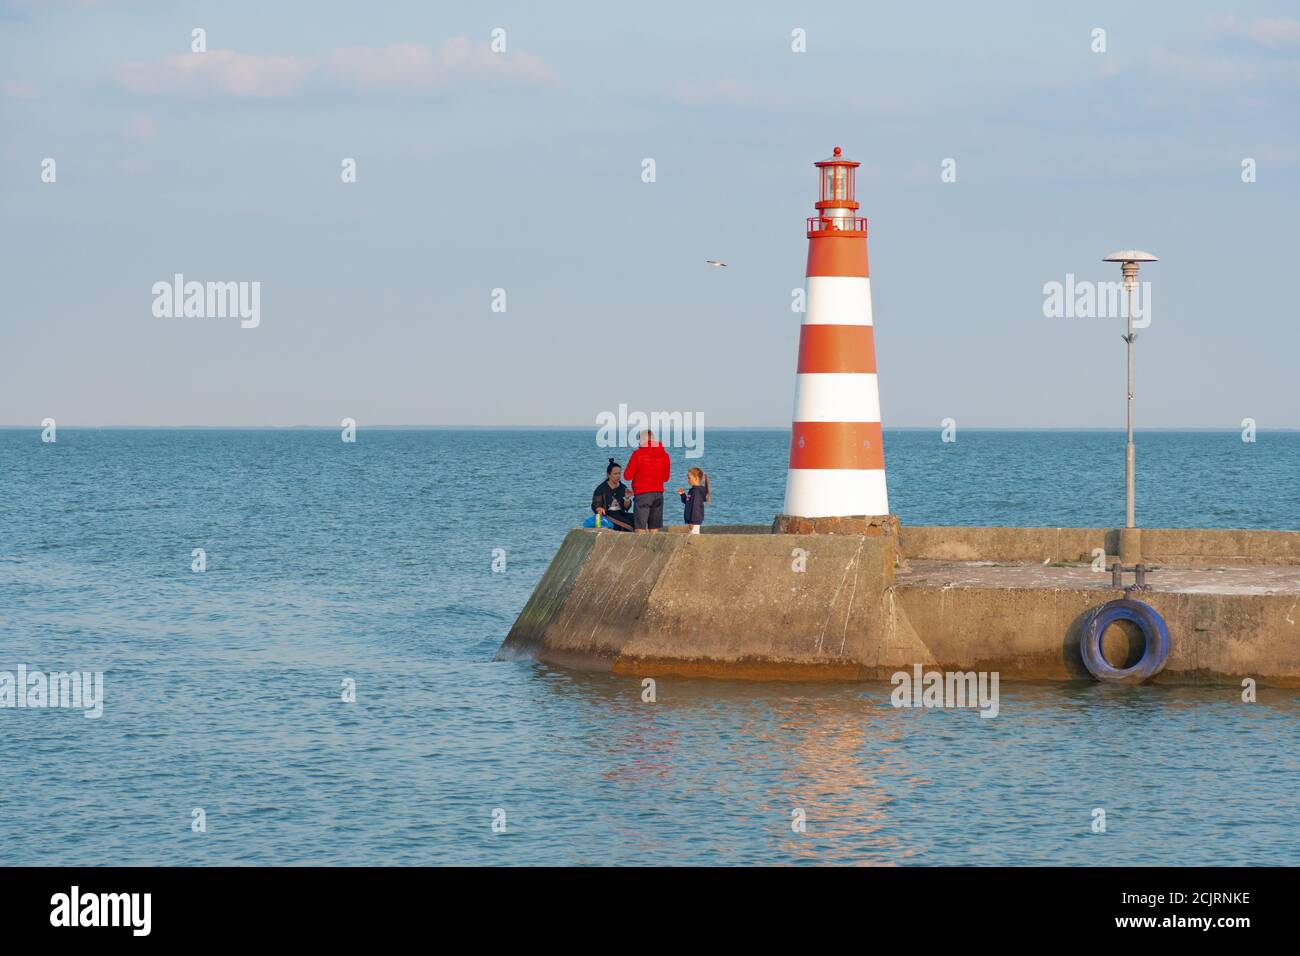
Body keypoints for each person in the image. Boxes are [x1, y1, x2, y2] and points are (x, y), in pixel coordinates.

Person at [622, 430, 671, 533]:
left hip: (642, 494)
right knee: (654, 528)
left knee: (640, 528)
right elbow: (666, 478)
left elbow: (627, 476)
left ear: (642, 440)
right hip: (658, 493)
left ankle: (639, 548)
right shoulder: (665, 455)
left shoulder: (637, 454)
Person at [591, 458, 634, 531]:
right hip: (608, 515)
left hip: (621, 514)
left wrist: (627, 498)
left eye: (619, 473)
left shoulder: (623, 487)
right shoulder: (601, 489)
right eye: (615, 474)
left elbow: (626, 508)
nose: (618, 476)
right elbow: (595, 504)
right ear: (609, 475)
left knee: (637, 519)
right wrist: (598, 508)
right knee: (628, 526)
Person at [676, 467, 710, 534]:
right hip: (693, 520)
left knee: (694, 537)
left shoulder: (696, 492)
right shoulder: (693, 490)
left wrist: (692, 521)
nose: (688, 480)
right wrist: (682, 495)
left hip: (694, 521)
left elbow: (695, 507)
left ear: (696, 478)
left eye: (689, 478)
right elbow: (688, 502)